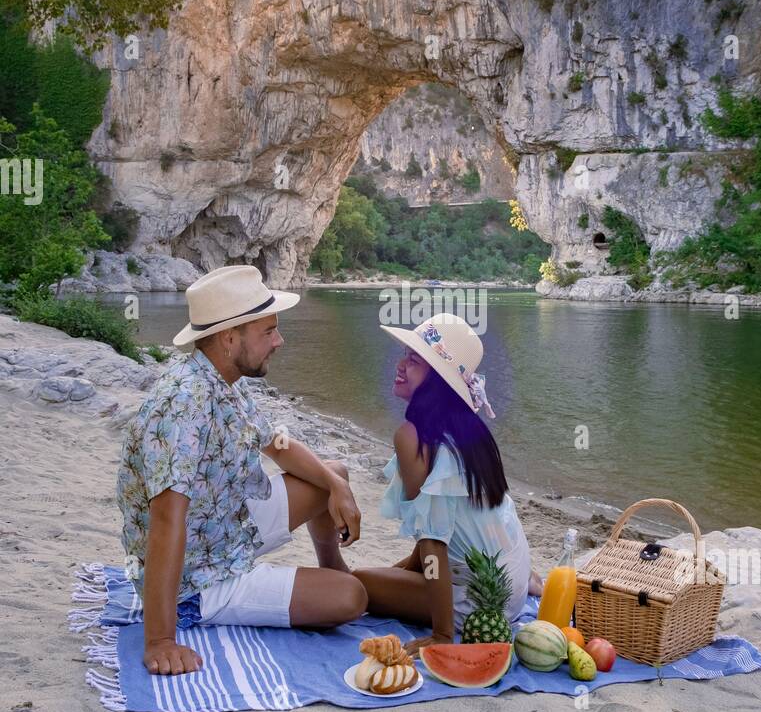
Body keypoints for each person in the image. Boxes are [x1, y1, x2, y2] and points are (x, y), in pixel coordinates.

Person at [116, 265, 366, 677]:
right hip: (198, 577)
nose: (280, 341)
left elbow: (278, 447)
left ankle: (331, 564)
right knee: (350, 599)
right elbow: (166, 521)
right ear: (230, 337)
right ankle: (324, 582)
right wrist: (160, 639)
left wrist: (336, 483)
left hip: (224, 528)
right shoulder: (184, 404)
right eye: (268, 331)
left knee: (331, 470)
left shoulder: (223, 379)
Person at [352, 311, 531, 654]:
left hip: (480, 602)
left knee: (359, 583)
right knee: (385, 574)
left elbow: (434, 541)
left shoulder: (412, 437)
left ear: (437, 380)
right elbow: (446, 526)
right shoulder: (471, 433)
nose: (401, 365)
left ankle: (447, 623)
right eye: (406, 355)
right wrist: (404, 569)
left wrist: (442, 636)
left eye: (415, 360)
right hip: (513, 585)